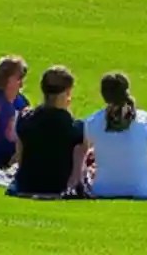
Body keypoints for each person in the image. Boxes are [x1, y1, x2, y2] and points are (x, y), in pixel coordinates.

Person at [82, 72, 147, 200]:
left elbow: (82, 152)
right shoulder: (145, 119)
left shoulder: (93, 121)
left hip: (103, 190)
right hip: (142, 191)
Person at [9, 65, 86, 198]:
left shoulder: (24, 119)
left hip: (26, 184)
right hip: (58, 186)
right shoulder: (74, 127)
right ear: (67, 92)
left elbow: (20, 156)